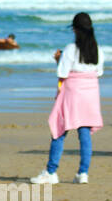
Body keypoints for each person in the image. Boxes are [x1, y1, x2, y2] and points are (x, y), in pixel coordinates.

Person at [31, 12, 104, 184]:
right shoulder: (98, 50)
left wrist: (58, 59)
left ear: (75, 29)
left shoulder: (71, 49)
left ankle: (51, 172)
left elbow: (62, 72)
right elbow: (98, 72)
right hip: (91, 93)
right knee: (84, 131)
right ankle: (83, 173)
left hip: (73, 92)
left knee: (59, 129)